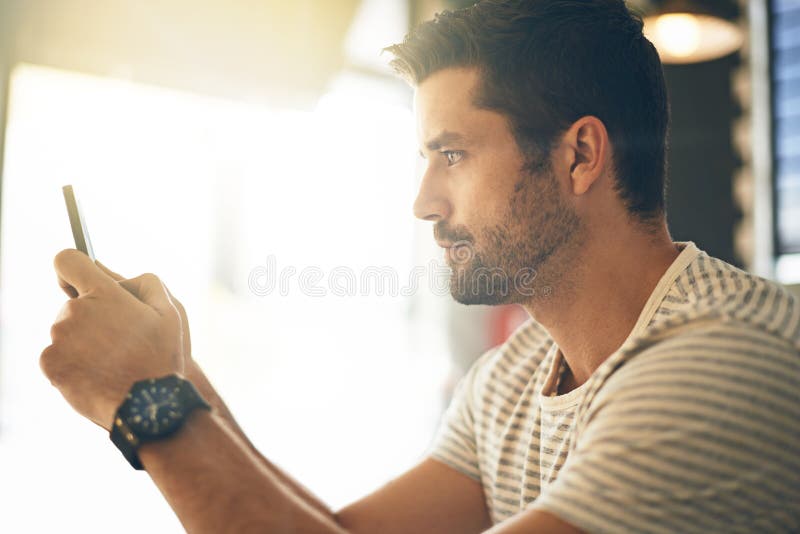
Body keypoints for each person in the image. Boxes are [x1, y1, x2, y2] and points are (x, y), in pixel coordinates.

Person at [41, 0, 799, 532]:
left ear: (579, 155)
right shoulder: (516, 375)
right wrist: (175, 373)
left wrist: (145, 400)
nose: (424, 202)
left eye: (454, 155)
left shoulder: (722, 361)